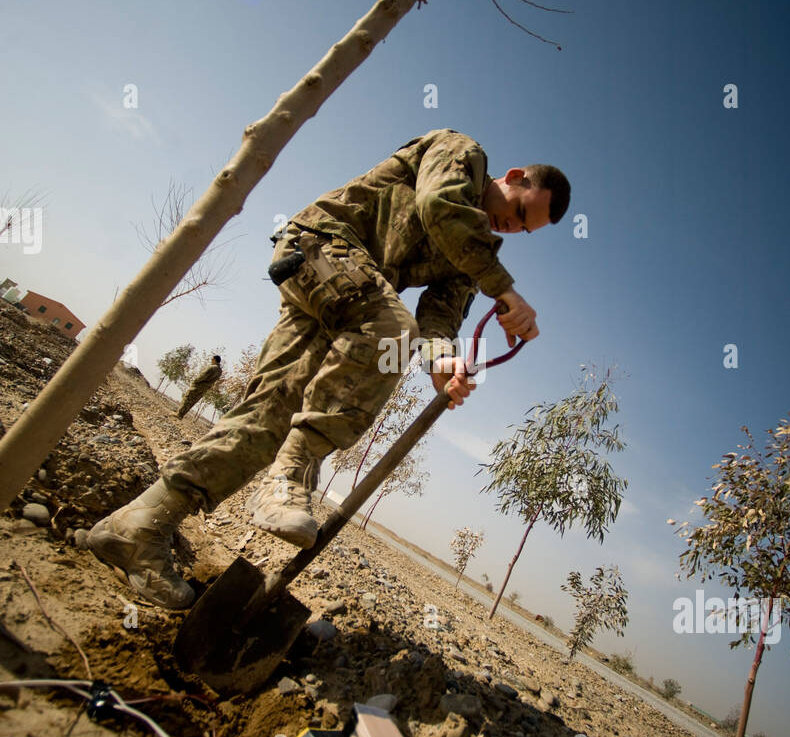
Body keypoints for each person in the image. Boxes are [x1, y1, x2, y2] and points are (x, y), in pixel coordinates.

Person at [87, 129, 570, 610]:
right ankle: (292, 477)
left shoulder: (479, 253)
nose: (512, 227)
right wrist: (506, 292)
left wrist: (441, 360)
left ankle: (137, 528)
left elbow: (441, 316)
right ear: (513, 178)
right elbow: (438, 208)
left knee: (270, 415)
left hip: (352, 296)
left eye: (525, 230)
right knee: (392, 332)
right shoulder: (462, 153)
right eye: (521, 212)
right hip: (320, 247)